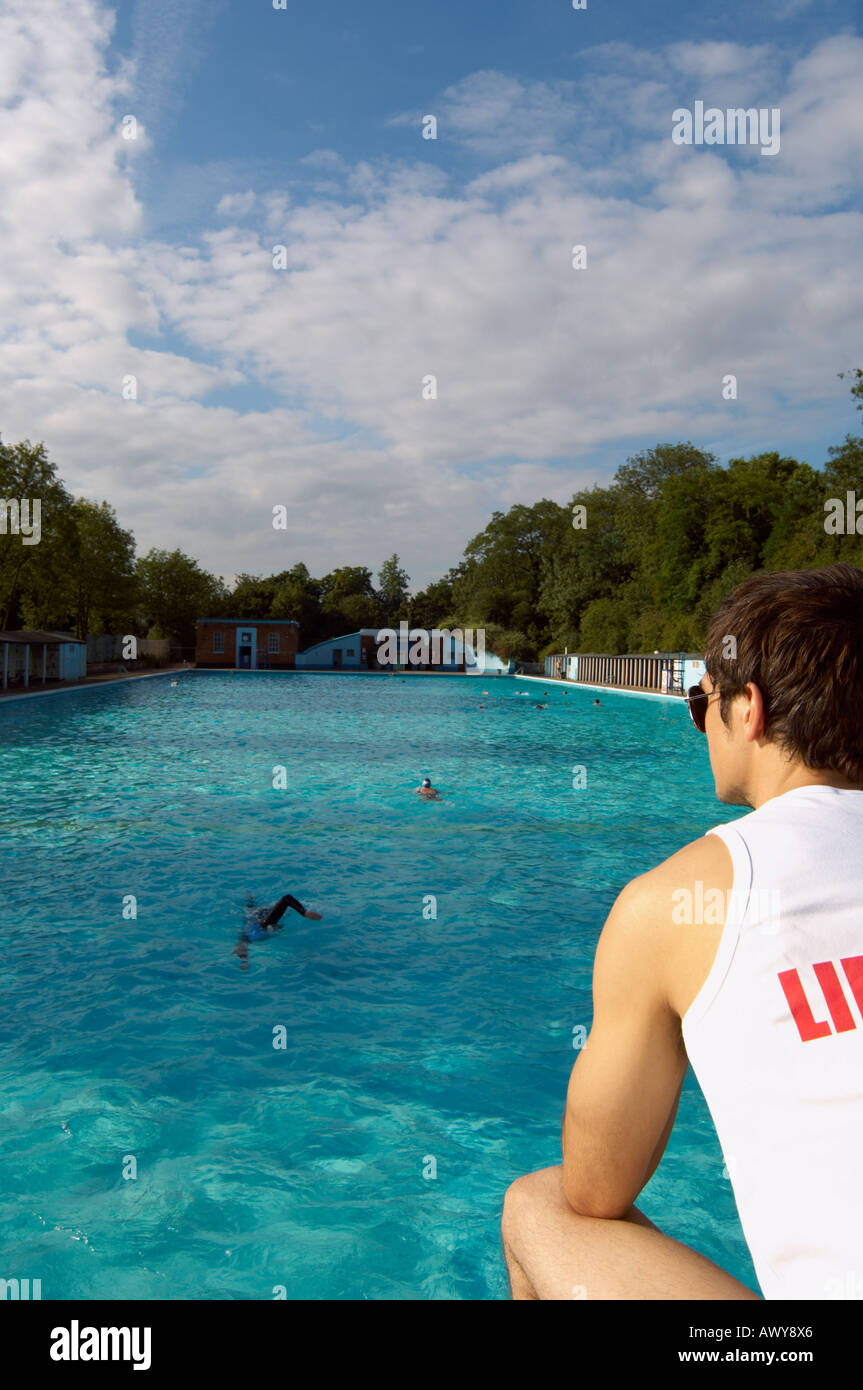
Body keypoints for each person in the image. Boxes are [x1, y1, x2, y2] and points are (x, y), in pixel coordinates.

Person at [501, 564, 863, 1300]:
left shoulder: (677, 898)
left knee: (538, 1206)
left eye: (700, 702)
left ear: (748, 710)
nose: (697, 721)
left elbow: (595, 1189)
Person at [233, 892, 322, 968]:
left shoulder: (265, 925)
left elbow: (286, 898)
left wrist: (304, 912)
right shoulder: (250, 936)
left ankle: (250, 899)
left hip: (260, 919)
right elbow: (243, 945)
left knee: (254, 912)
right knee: (252, 911)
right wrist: (244, 962)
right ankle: (250, 899)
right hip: (256, 919)